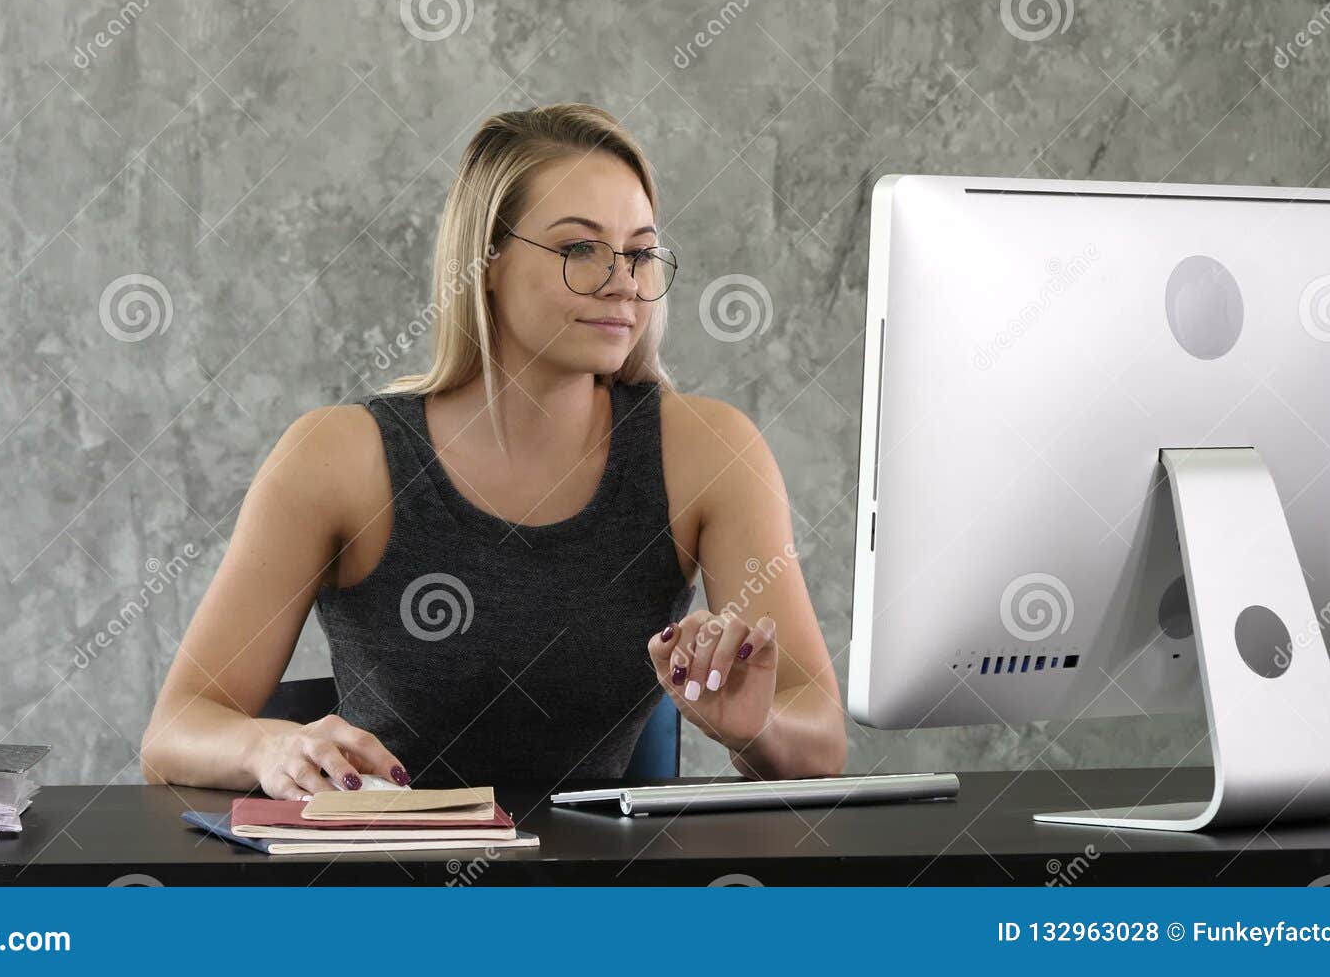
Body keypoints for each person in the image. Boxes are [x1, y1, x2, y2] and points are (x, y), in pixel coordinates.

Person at [141, 102, 847, 796]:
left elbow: (819, 739)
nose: (624, 283)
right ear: (486, 262)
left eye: (638, 253)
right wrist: (268, 746)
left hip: (602, 871)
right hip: (386, 863)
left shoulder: (709, 452)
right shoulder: (338, 456)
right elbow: (177, 729)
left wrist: (755, 730)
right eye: (579, 249)